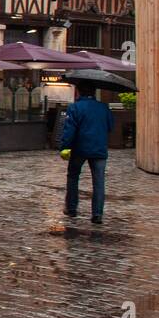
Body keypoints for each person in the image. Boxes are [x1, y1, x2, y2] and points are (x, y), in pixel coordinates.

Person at [60, 82, 114, 224]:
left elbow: (69, 130)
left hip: (80, 149)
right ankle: (97, 214)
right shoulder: (103, 107)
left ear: (78, 91)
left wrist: (64, 146)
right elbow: (110, 126)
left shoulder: (75, 107)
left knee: (73, 177)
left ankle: (71, 208)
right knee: (99, 181)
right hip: (99, 149)